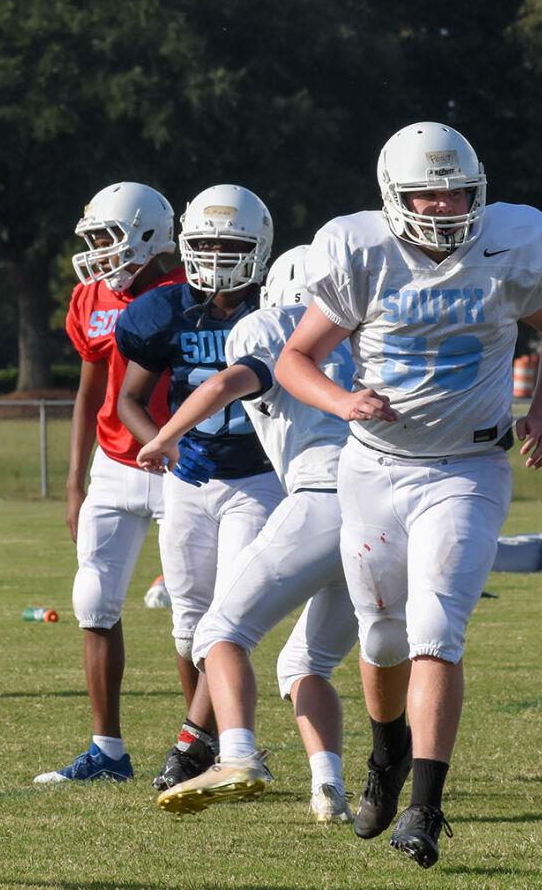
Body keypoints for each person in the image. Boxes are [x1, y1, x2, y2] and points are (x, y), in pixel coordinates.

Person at [278, 122, 542, 868]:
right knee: (382, 636)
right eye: (427, 194)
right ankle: (386, 752)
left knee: (436, 625)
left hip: (467, 469)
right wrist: (341, 400)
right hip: (375, 468)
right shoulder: (363, 253)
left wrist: (541, 412)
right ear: (394, 196)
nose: (444, 206)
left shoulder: (509, 247)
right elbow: (295, 358)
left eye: (457, 192)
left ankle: (426, 806)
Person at [137, 246, 358, 820]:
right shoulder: (363, 333)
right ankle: (328, 788)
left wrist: (164, 436)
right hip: (385, 513)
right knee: (306, 664)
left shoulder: (274, 326)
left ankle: (235, 755)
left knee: (218, 631)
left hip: (323, 497)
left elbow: (226, 384)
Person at [112, 184, 281, 792]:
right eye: (205, 244)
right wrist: (168, 445)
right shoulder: (163, 310)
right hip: (189, 480)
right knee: (188, 625)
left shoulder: (278, 306)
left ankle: (201, 744)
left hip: (258, 480)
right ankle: (206, 743)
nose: (215, 257)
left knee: (228, 617)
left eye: (229, 245)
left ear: (259, 247)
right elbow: (129, 401)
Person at [35, 182, 187, 785]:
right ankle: (107, 751)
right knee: (93, 601)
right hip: (113, 465)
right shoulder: (91, 295)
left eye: (107, 237)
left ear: (148, 237)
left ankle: (202, 747)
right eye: (94, 238)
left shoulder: (190, 291)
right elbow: (88, 391)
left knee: (193, 613)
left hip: (178, 465)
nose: (98, 250)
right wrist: (74, 483)